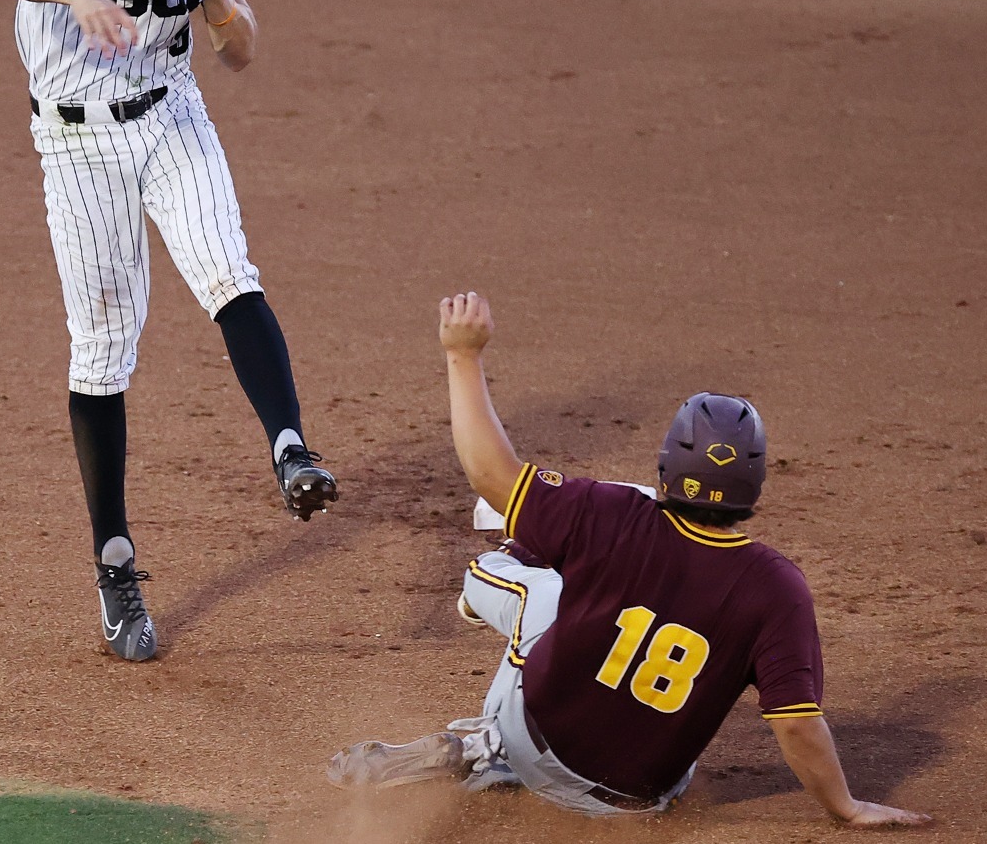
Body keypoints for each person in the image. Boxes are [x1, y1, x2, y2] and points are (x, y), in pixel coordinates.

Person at [328, 293, 929, 829]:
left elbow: (490, 474)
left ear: (669, 462)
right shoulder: (779, 587)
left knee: (515, 583)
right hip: (639, 800)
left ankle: (490, 744)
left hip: (538, 745)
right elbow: (796, 723)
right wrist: (845, 807)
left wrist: (463, 356)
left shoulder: (612, 511)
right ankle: (496, 756)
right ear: (755, 484)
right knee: (593, 630)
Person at [0, 0, 338, 663]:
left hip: (171, 113)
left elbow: (242, 52)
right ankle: (116, 569)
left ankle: (292, 450)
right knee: (103, 348)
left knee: (227, 267)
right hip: (76, 143)